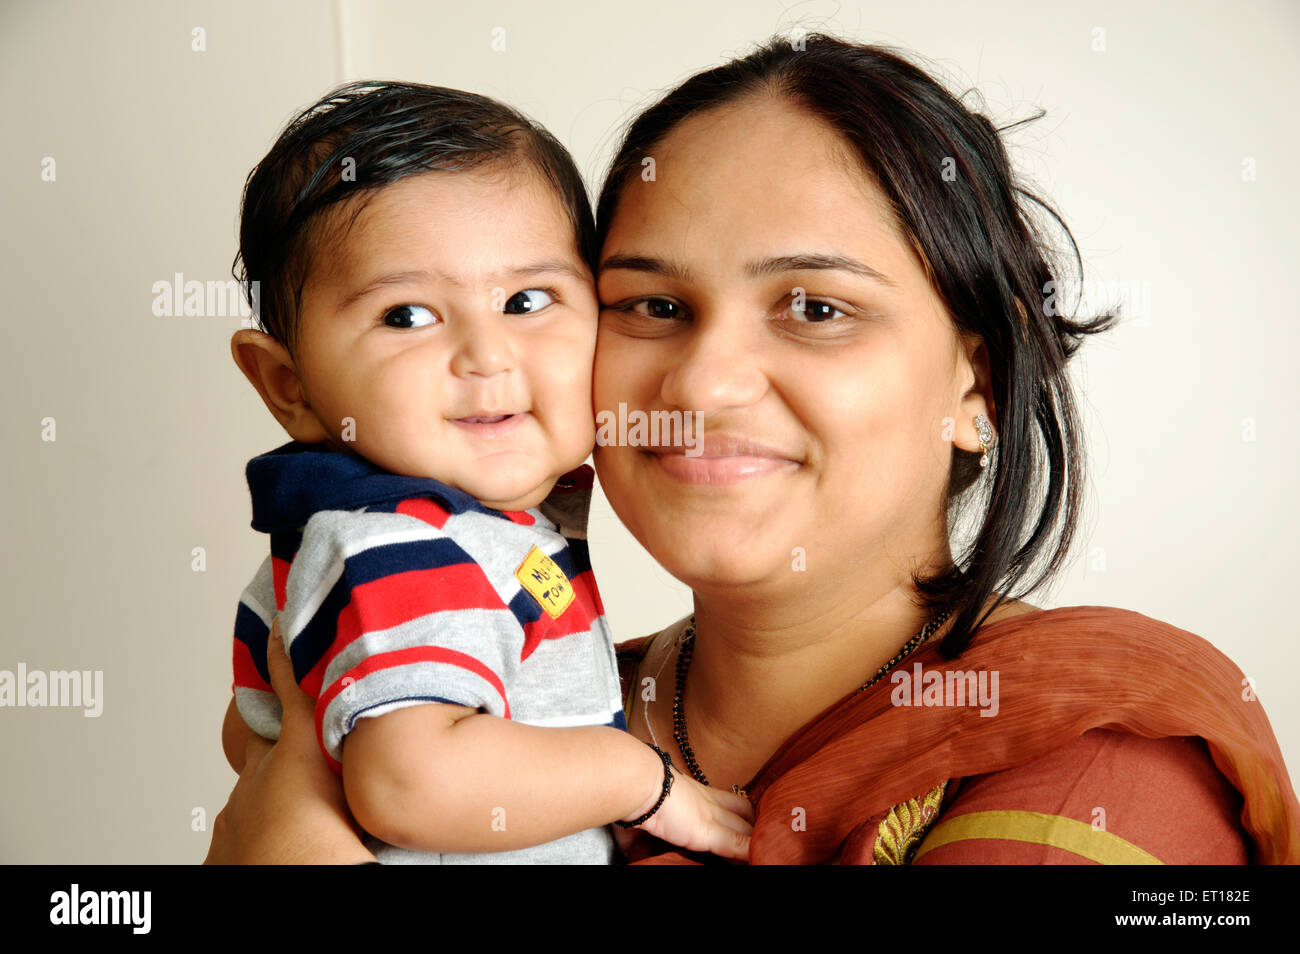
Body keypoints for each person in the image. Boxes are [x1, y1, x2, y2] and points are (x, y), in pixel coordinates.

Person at [207, 35, 1300, 865]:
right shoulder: (512, 698)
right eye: (653, 305)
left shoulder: (1087, 761)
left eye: (816, 308)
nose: (704, 382)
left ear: (979, 386)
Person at [220, 81, 751, 864]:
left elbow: (247, 727)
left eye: (527, 299)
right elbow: (407, 784)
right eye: (406, 316)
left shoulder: (465, 532)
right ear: (289, 387)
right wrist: (642, 783)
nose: (487, 354)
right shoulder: (400, 544)